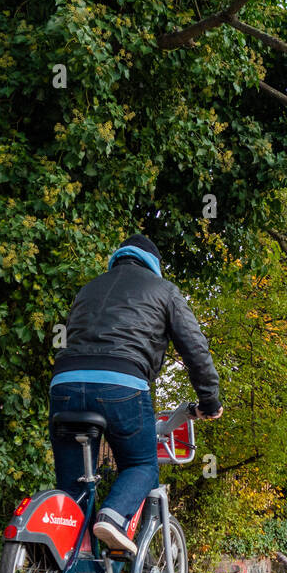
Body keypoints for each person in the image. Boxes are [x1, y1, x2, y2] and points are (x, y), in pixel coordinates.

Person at [50, 234, 222, 555]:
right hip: (122, 383)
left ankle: (72, 570)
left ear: (119, 259)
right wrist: (209, 401)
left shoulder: (89, 289)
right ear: (153, 265)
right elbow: (195, 347)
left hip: (65, 383)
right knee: (142, 465)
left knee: (73, 489)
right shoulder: (164, 290)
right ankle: (113, 518)